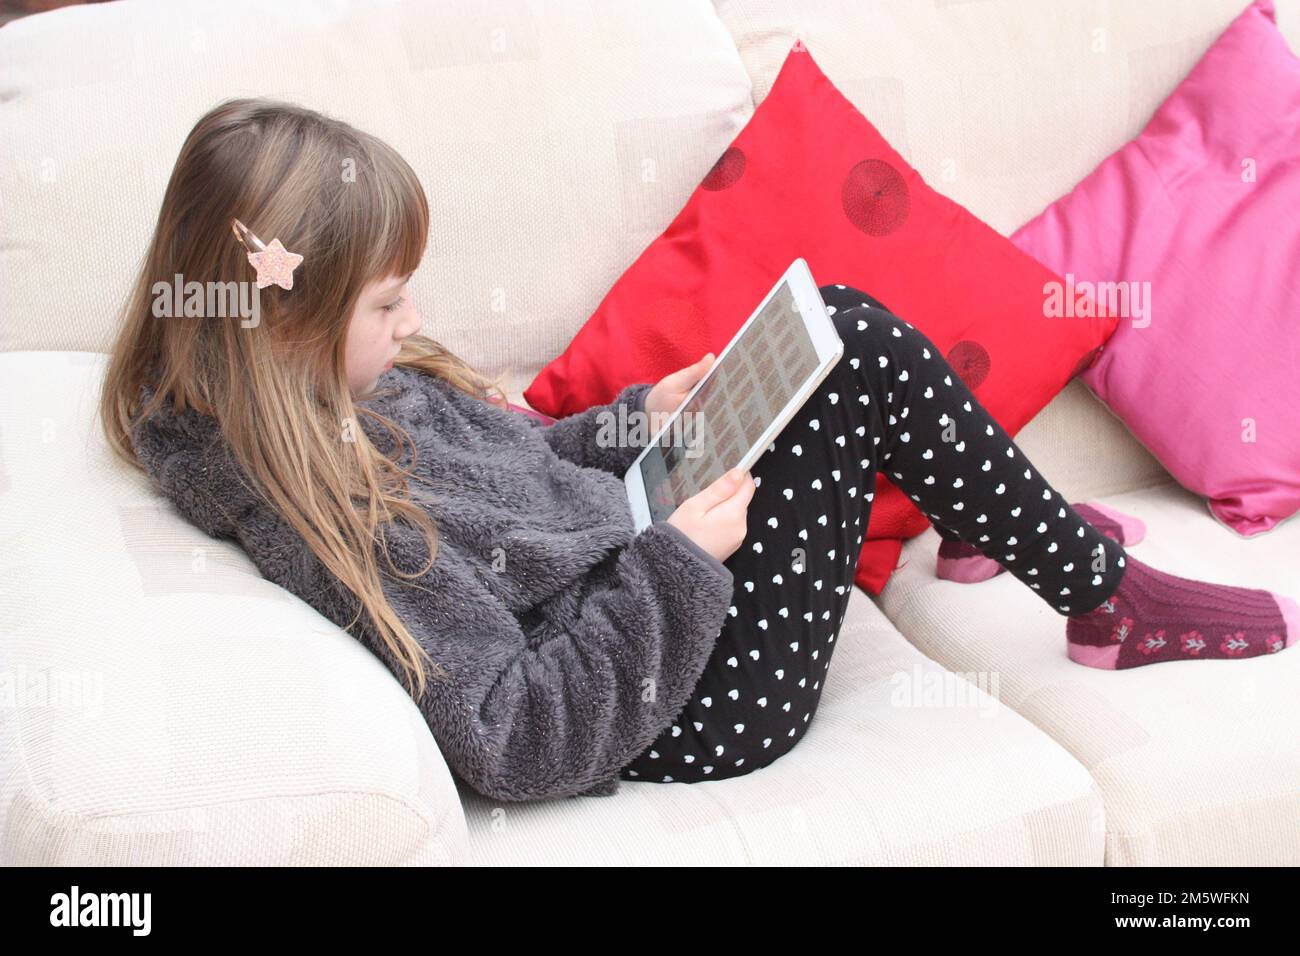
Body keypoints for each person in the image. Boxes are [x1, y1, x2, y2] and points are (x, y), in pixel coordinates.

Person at [101, 98, 1298, 802]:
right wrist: (673, 556)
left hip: (639, 556)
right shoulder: (326, 511)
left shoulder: (316, 391)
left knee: (821, 337)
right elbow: (513, 730)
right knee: (858, 344)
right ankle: (1101, 595)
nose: (412, 323)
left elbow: (514, 474)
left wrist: (638, 421)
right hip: (684, 693)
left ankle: (1002, 520)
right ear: (286, 320)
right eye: (385, 306)